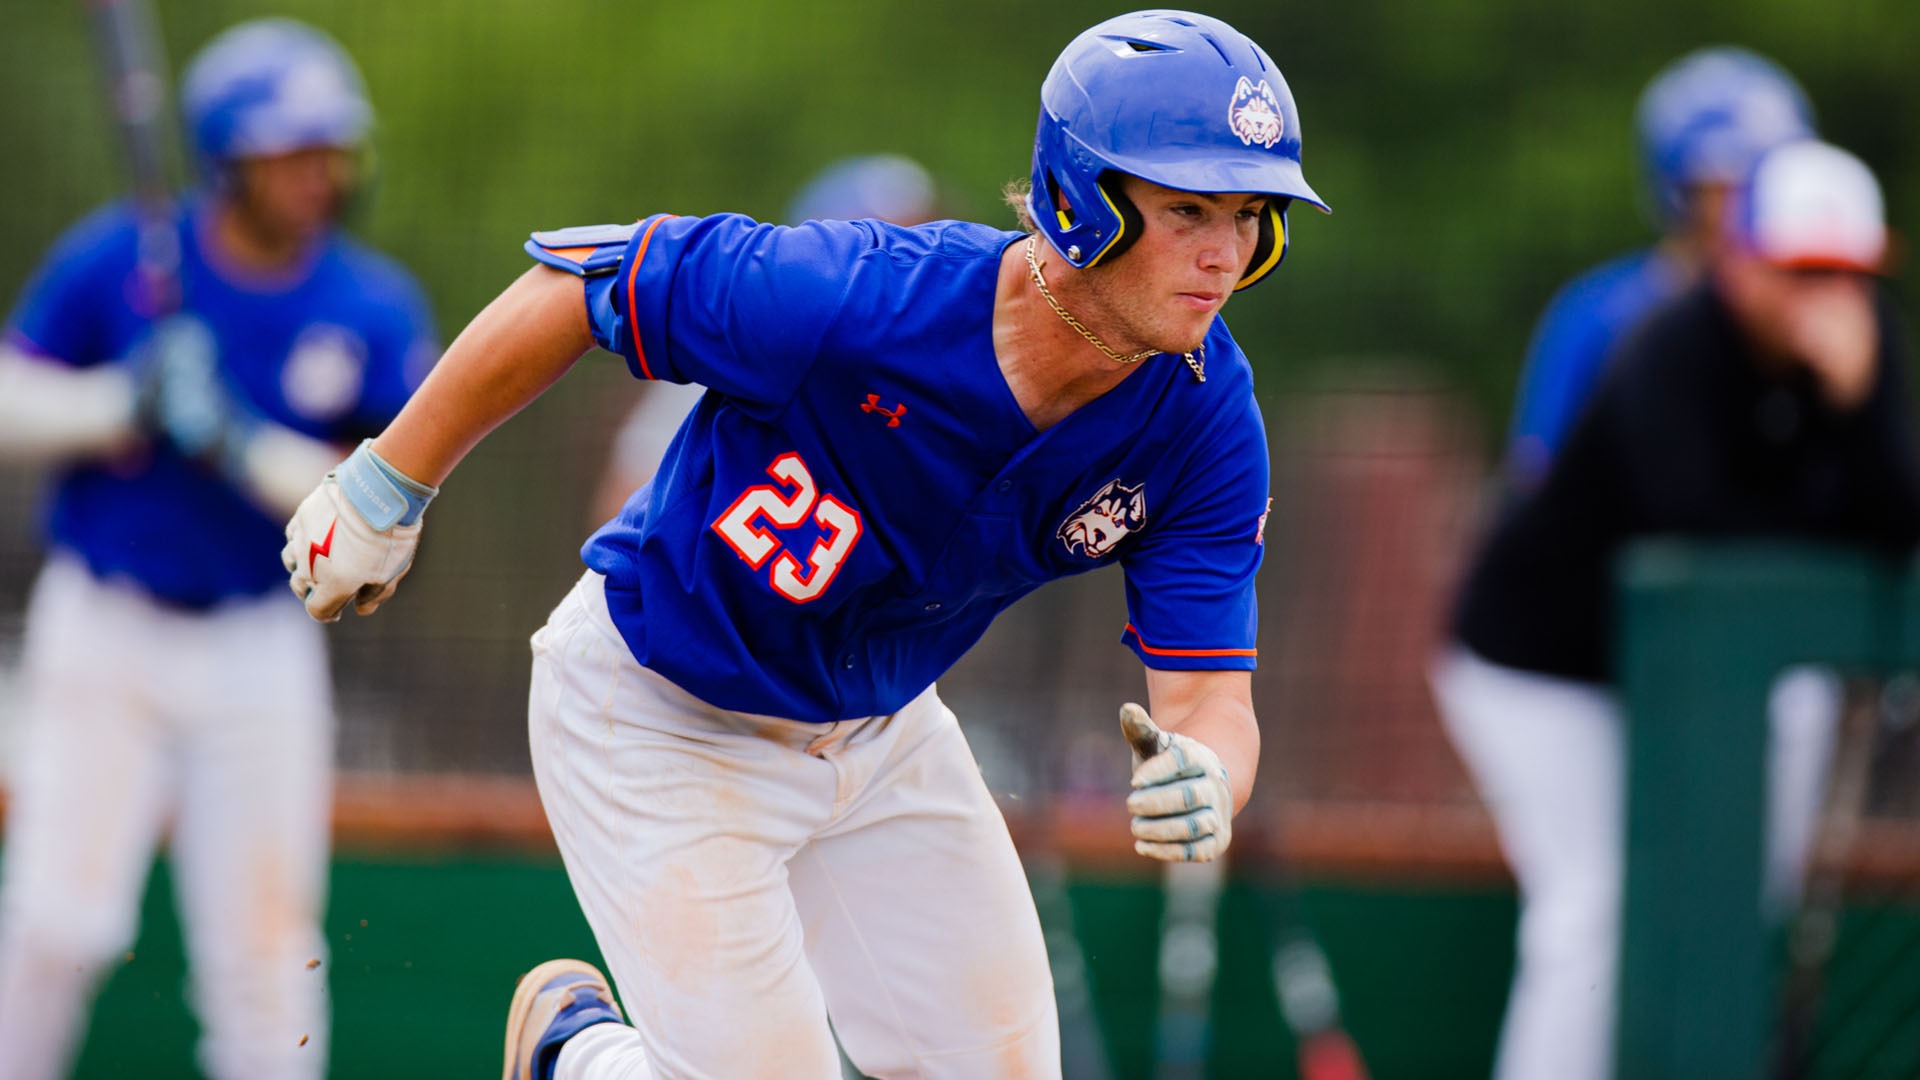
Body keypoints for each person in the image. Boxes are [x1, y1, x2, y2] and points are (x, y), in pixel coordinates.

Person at [280, 10, 1327, 1079]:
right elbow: (576, 286)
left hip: (880, 735)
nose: (1224, 252)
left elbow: (1208, 702)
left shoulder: (1207, 423)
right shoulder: (857, 296)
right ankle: (578, 1058)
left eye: (1251, 214)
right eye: (1186, 207)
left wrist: (1211, 771)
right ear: (1078, 201)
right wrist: (385, 482)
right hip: (659, 709)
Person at [0, 19, 436, 1079]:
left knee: (267, 949)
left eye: (328, 151)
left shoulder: (370, 306)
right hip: (104, 627)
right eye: (290, 154)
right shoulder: (118, 257)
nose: (316, 176)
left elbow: (390, 505)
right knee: (59, 922)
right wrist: (121, 401)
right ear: (227, 159)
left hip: (260, 640)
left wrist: (236, 441)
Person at [1432, 139, 1920, 1080]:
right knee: (1599, 903)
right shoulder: (1670, 343)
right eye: (1801, 269)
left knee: (1734, 908)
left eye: (1847, 272)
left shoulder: (1862, 349)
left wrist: (1853, 402)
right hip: (1543, 669)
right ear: (1740, 261)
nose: (1826, 294)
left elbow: (1896, 524)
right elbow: (1701, 527)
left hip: (1700, 680)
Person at [1504, 46, 1815, 495]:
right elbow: (1538, 483)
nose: (1755, 204)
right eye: (1732, 185)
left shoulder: (1822, 315)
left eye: (1770, 180)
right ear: (1681, 191)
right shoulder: (1601, 315)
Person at [587, 153, 941, 526]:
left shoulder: (957, 371)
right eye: (866, 247)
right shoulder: (737, 345)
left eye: (908, 243)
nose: (889, 269)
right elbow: (622, 497)